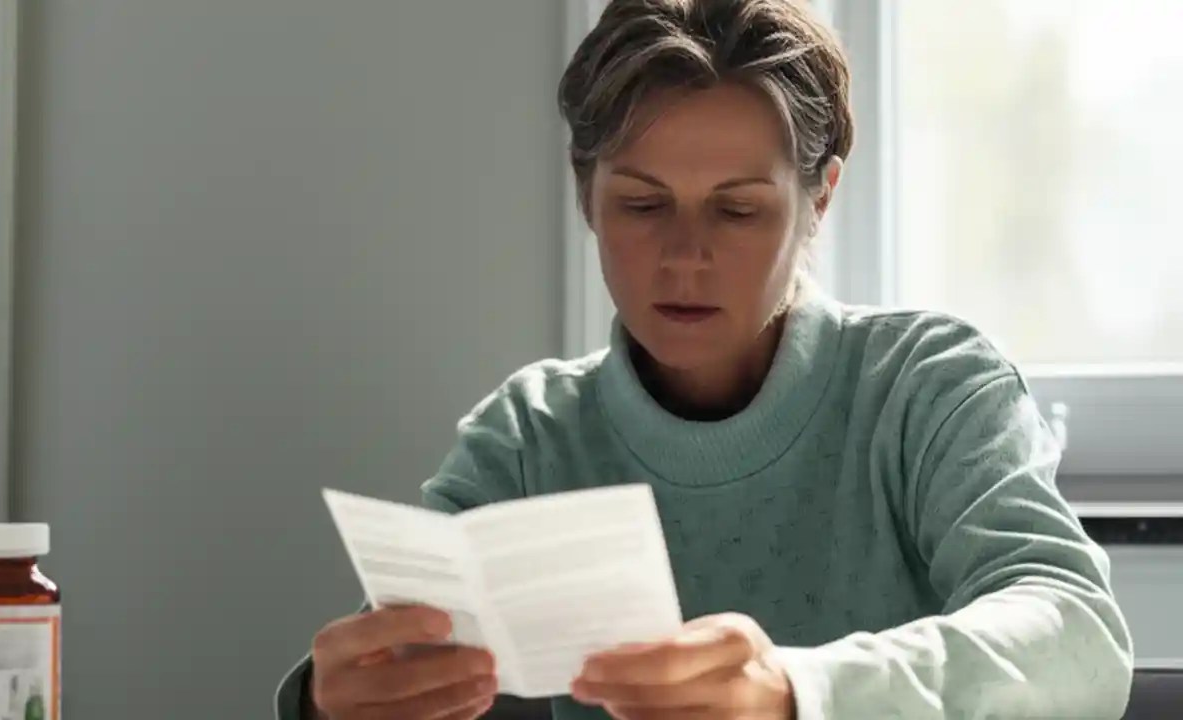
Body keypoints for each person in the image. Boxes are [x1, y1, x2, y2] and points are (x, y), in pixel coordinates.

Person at [275, 0, 1134, 718]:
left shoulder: (929, 388)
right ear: (587, 195)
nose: (685, 257)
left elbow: (1078, 637)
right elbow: (399, 666)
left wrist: (798, 691)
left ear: (818, 198)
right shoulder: (528, 440)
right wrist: (327, 702)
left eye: (738, 210)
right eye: (644, 204)